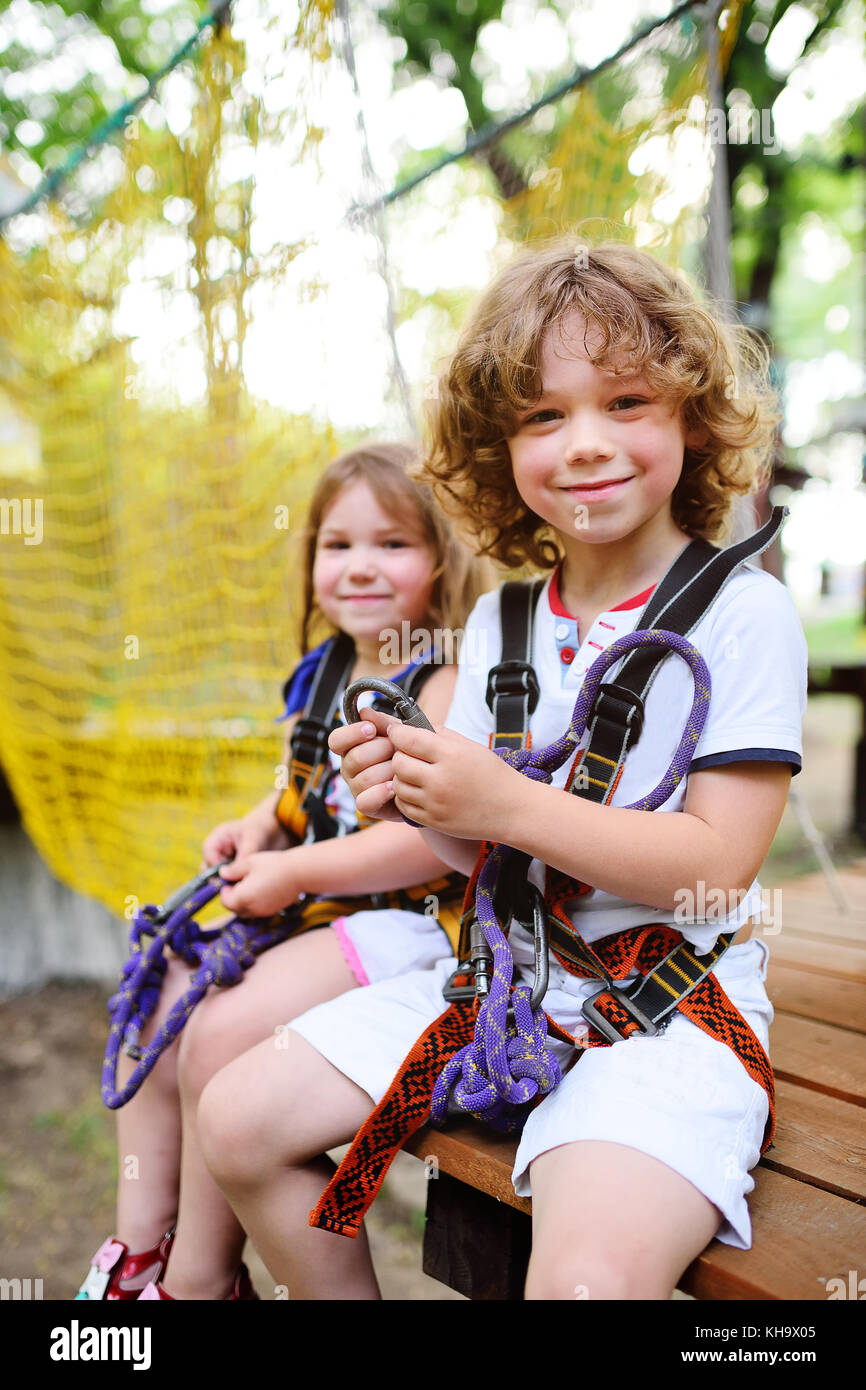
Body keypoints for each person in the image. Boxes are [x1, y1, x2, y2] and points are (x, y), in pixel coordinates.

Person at [195, 238, 808, 1300]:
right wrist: (416, 799)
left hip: (663, 1008)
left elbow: (717, 865)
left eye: (626, 402)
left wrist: (505, 801)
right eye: (542, 415)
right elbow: (472, 849)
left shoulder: (744, 614)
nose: (585, 444)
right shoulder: (500, 622)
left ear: (694, 418)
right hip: (505, 985)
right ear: (500, 446)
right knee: (236, 1121)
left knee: (581, 1282)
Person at [76, 442, 491, 1300]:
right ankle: (137, 1254)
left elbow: (426, 844)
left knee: (222, 1032)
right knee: (158, 995)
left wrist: (297, 871)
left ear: (441, 561)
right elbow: (298, 783)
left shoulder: (441, 683)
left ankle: (199, 1280)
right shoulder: (325, 671)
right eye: (338, 545)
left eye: (392, 543)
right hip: (322, 907)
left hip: (414, 923)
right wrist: (261, 827)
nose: (360, 566)